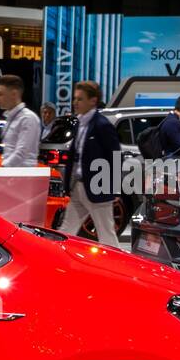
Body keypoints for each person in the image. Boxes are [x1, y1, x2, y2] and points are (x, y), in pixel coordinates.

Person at [59, 80, 121, 246]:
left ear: (92, 101)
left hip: (97, 188)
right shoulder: (80, 123)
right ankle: (57, 263)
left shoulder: (102, 125)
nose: (75, 103)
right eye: (75, 98)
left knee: (106, 235)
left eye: (79, 99)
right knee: (66, 230)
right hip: (79, 187)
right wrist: (68, 185)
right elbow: (74, 156)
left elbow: (115, 156)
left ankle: (117, 269)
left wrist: (113, 188)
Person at [0, 75, 41, 167]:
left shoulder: (28, 118)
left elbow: (21, 152)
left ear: (14, 94)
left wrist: (3, 168)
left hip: (24, 176)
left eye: (0, 94)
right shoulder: (10, 118)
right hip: (13, 175)